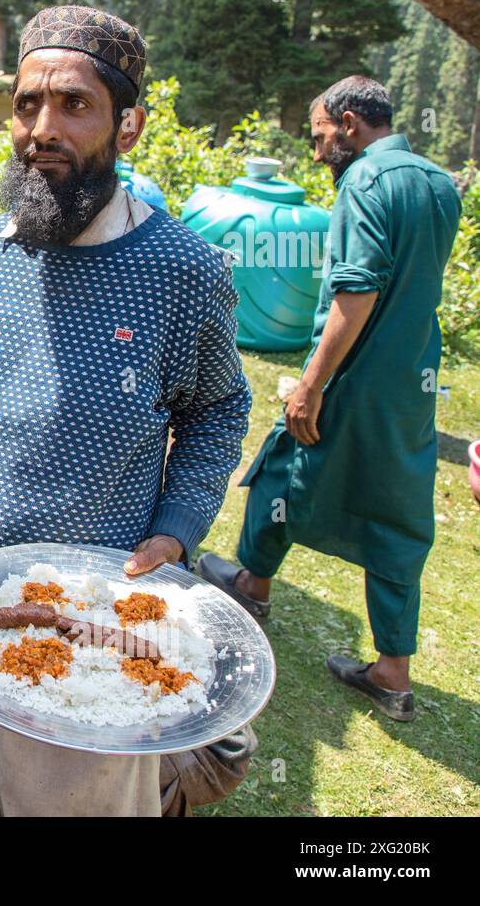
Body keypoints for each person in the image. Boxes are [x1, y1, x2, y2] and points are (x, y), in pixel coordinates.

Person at [0, 5, 254, 816]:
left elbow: (217, 411)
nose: (41, 127)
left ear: (127, 126)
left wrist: (175, 529)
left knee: (74, 798)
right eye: (28, 104)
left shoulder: (185, 272)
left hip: (91, 606)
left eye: (75, 105)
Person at [197, 77, 462, 723]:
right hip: (410, 385)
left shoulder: (366, 182)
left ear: (348, 123)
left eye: (319, 136)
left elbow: (357, 291)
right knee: (399, 517)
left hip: (354, 378)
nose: (317, 154)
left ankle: (252, 585)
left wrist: (310, 386)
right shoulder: (437, 183)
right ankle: (392, 673)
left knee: (280, 462)